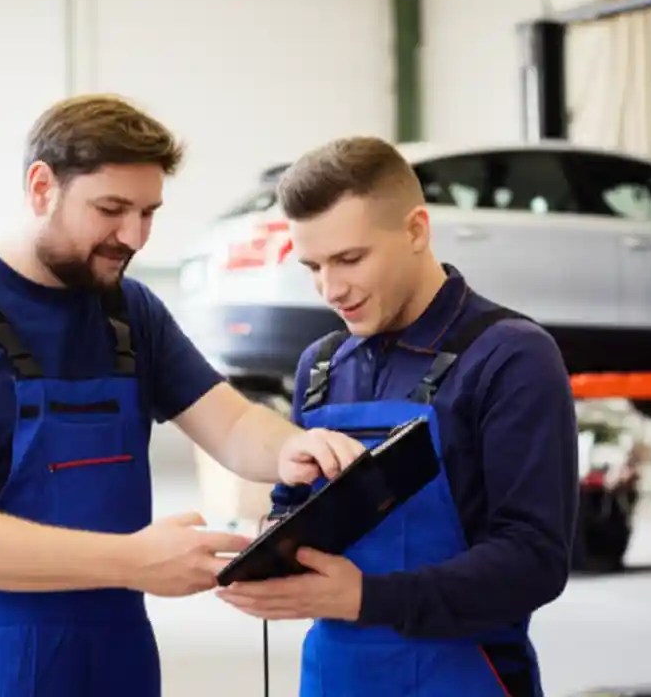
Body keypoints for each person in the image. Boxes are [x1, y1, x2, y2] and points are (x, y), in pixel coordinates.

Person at [0, 94, 364, 697]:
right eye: (112, 209)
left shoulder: (129, 312)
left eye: (149, 212)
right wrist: (130, 561)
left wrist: (295, 448)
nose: (134, 237)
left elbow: (231, 425)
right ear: (42, 187)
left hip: (115, 657)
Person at [218, 136, 579, 696]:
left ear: (416, 230)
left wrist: (365, 597)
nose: (331, 289)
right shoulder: (321, 366)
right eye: (312, 266)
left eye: (350, 259)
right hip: (333, 680)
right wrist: (267, 553)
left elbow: (535, 559)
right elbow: (292, 511)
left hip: (465, 679)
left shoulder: (509, 356)